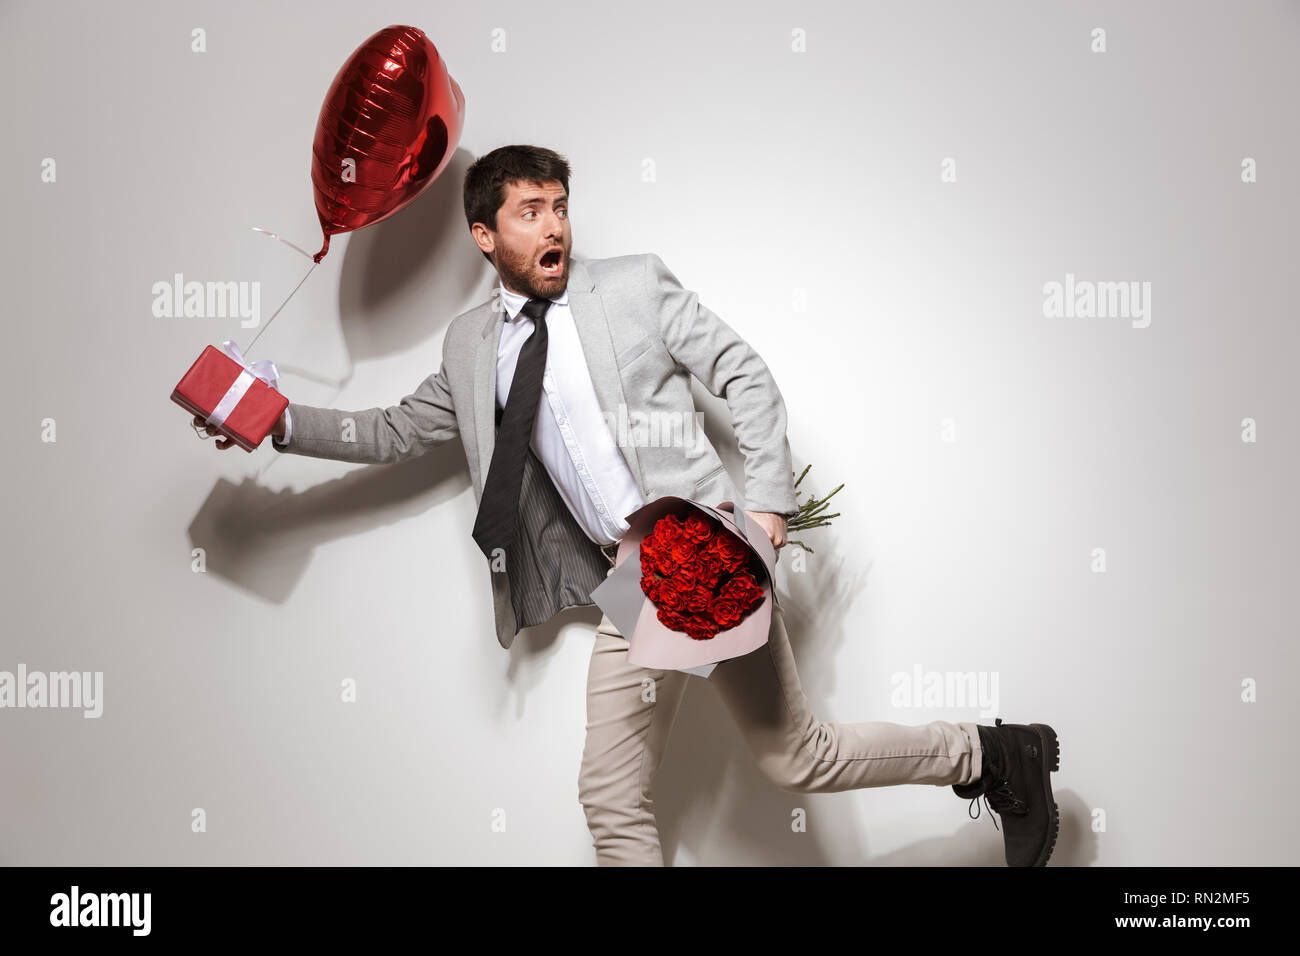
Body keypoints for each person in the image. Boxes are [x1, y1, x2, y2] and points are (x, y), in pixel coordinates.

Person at [193, 144, 1060, 866]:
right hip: (632, 574)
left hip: (695, 547)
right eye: (530, 211)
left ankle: (992, 754)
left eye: (560, 205)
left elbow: (743, 376)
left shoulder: (633, 289)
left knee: (614, 798)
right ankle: (993, 753)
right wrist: (272, 421)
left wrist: (765, 509)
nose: (555, 224)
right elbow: (392, 430)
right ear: (484, 235)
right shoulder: (470, 348)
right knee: (795, 756)